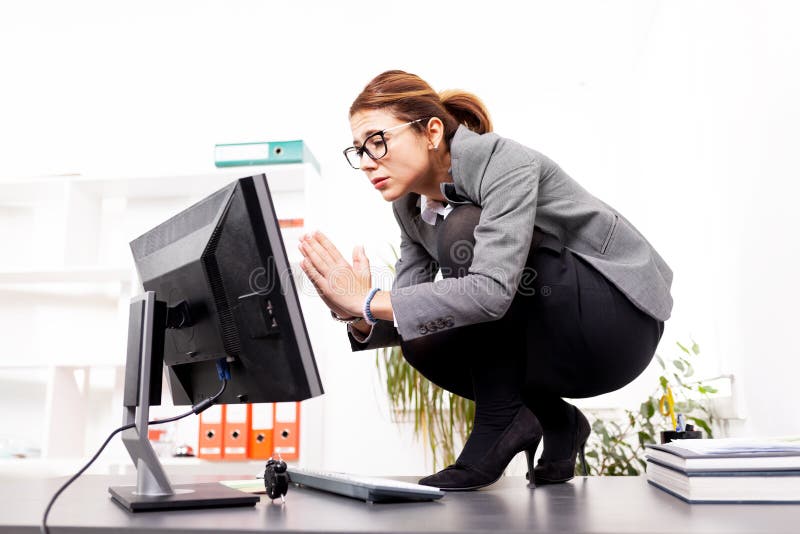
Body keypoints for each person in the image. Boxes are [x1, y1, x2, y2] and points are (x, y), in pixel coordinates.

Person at [297, 70, 672, 491]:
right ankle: (556, 419)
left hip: (618, 321)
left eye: (377, 141)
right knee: (420, 338)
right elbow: (408, 306)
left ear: (431, 131)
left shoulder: (502, 160)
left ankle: (500, 420)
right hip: (556, 339)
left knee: (464, 227)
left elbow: (490, 291)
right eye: (358, 150)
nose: (366, 162)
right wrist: (357, 314)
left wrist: (368, 301)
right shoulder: (408, 208)